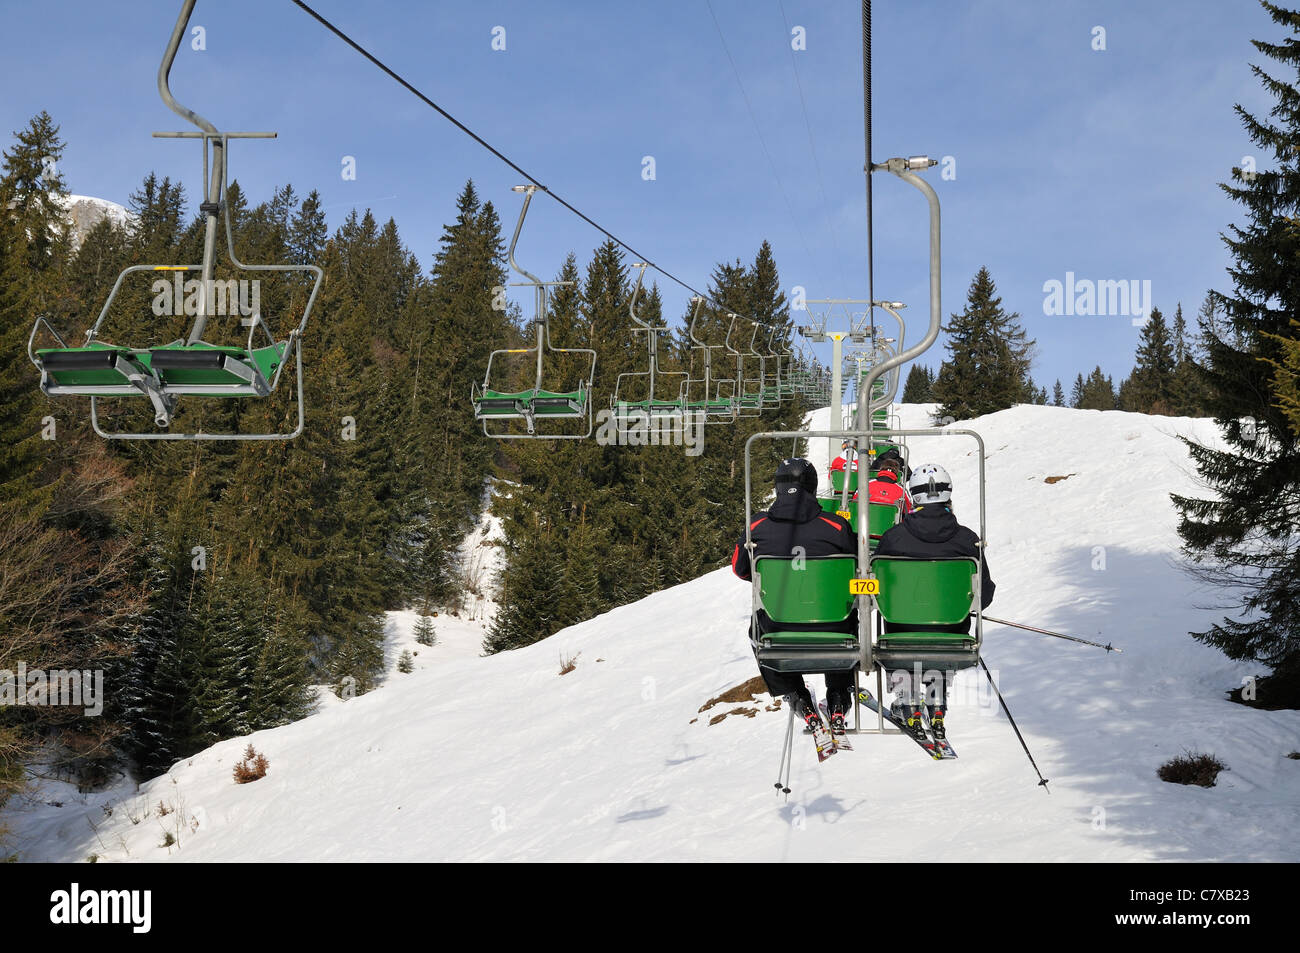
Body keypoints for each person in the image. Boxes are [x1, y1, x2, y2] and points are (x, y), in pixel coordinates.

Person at [732, 457, 857, 733]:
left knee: (757, 632)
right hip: (834, 628)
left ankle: (795, 694)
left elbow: (741, 570)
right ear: (812, 488)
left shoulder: (757, 527)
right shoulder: (836, 526)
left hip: (778, 628)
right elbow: (856, 569)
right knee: (849, 618)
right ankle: (838, 695)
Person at [874, 463, 994, 740]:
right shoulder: (967, 540)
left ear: (913, 496)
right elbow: (983, 595)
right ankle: (936, 700)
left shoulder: (893, 538)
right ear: (948, 495)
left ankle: (907, 699)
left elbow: (877, 590)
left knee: (906, 636)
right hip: (950, 633)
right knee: (940, 637)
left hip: (901, 632)